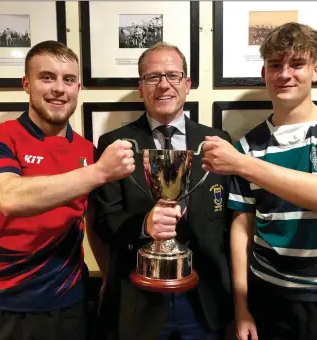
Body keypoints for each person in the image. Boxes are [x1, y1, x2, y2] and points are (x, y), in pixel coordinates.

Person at [89, 42, 233, 340]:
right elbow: (104, 221)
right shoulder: (115, 145)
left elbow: (229, 223)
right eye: (153, 77)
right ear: (141, 87)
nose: (164, 84)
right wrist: (143, 226)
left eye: (173, 75)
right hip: (137, 301)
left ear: (188, 84)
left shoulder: (217, 141)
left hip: (205, 303)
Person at [0, 40, 135, 340]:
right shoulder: (1, 138)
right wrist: (98, 172)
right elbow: (8, 196)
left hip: (71, 301)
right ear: (26, 84)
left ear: (78, 88)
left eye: (68, 79)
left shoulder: (87, 149)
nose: (59, 88)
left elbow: (92, 221)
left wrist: (108, 277)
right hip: (7, 303)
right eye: (47, 77)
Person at [202, 22, 317, 340]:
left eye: (297, 64)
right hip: (267, 295)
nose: (285, 74)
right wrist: (241, 306)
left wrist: (244, 166)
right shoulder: (249, 145)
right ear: (264, 74)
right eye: (275, 65)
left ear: (316, 70)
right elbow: (242, 228)